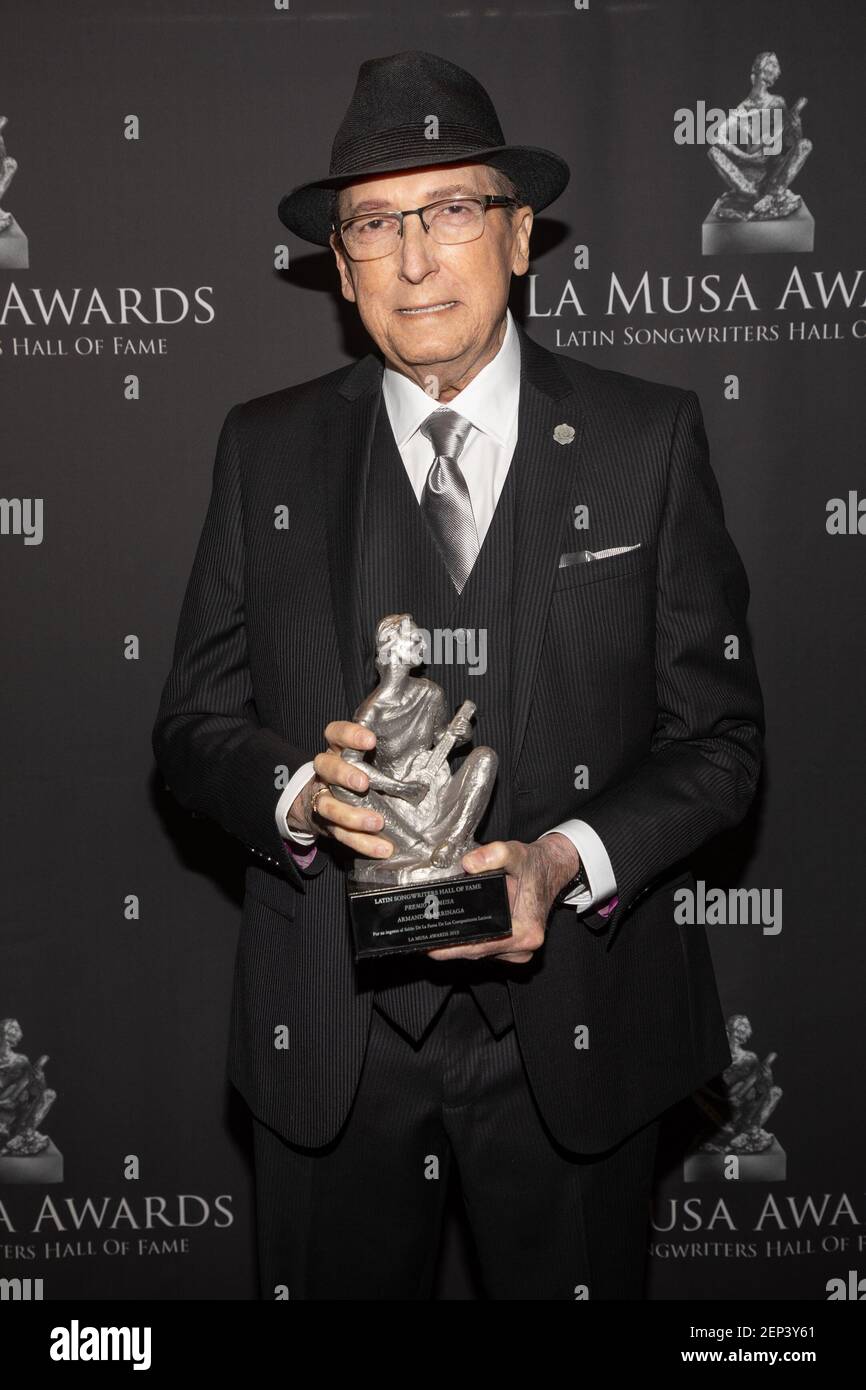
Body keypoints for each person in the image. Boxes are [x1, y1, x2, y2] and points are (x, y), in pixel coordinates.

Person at [152, 50, 765, 1300]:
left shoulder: (647, 439)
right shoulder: (261, 450)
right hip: (332, 1041)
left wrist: (561, 859)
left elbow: (717, 743)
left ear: (518, 235)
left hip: (573, 1039)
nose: (415, 257)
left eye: (451, 210)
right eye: (376, 223)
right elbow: (190, 725)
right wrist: (291, 793)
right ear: (341, 267)